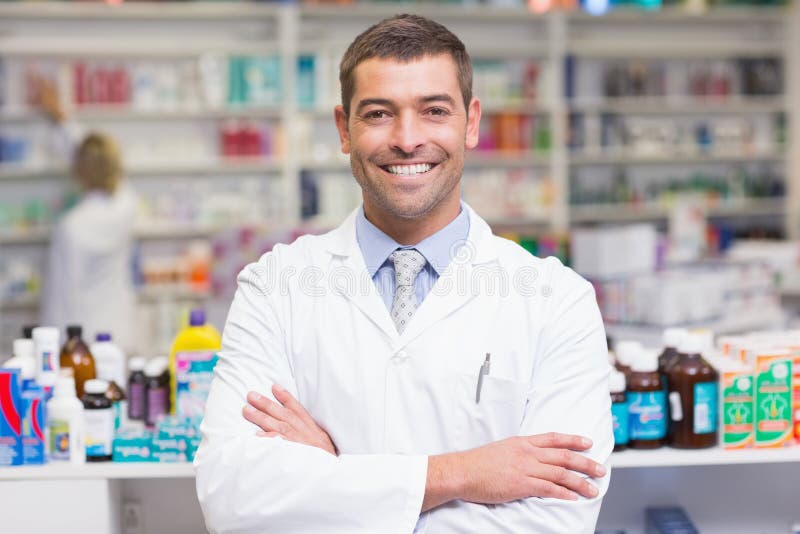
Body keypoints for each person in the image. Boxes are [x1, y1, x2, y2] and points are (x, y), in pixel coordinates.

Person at [195, 14, 612, 533]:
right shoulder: (274, 287)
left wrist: (333, 474)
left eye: (434, 110)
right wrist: (462, 474)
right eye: (378, 114)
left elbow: (554, 523)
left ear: (472, 122)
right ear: (344, 130)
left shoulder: (557, 300)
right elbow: (234, 501)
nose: (407, 139)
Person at [40, 130, 137, 354]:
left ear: (78, 171)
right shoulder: (126, 207)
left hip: (84, 340)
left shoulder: (70, 226)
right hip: (121, 332)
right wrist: (65, 122)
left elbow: (60, 296)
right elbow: (114, 176)